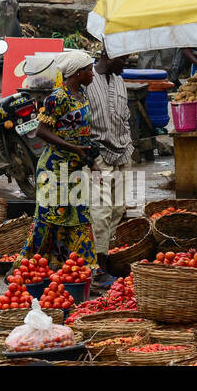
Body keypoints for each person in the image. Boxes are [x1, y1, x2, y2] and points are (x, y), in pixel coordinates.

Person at [19, 50, 102, 272]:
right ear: (77, 72)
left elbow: (83, 134)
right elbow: (42, 131)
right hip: (54, 169)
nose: (93, 73)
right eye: (89, 69)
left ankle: (83, 269)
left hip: (74, 168)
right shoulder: (58, 98)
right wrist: (74, 148)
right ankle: (28, 268)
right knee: (48, 219)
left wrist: (91, 162)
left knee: (79, 217)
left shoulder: (82, 95)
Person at [84, 50, 131, 261]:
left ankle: (105, 257)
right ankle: (98, 263)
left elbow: (126, 116)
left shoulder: (120, 81)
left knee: (117, 209)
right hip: (98, 156)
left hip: (122, 153)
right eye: (123, 59)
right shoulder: (87, 80)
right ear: (108, 56)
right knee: (100, 212)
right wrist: (90, 158)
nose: (125, 64)